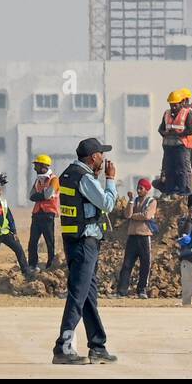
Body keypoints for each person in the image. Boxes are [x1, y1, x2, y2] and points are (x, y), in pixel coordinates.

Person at [53, 139, 118, 364]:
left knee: (88, 296)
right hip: (85, 243)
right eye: (101, 154)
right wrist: (110, 179)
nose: (104, 159)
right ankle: (63, 346)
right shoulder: (85, 177)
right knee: (78, 295)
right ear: (93, 157)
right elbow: (108, 204)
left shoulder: (68, 174)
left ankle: (98, 345)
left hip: (74, 240)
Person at [115, 179, 157, 298]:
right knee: (127, 264)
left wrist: (134, 216)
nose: (139, 190)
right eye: (138, 188)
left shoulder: (151, 201)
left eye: (141, 188)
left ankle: (142, 289)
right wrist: (131, 201)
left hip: (144, 236)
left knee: (145, 264)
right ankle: (121, 291)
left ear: (147, 190)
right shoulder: (135, 201)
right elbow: (127, 215)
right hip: (132, 236)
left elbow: (147, 216)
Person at [157, 89, 192, 196]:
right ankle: (170, 191)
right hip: (168, 146)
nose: (173, 107)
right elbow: (161, 129)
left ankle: (183, 191)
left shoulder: (187, 113)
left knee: (181, 169)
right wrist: (166, 133)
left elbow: (190, 130)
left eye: (175, 104)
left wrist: (177, 134)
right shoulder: (167, 113)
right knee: (169, 169)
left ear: (181, 103)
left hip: (181, 146)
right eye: (171, 104)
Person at [28, 154, 59, 272]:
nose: (34, 168)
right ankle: (32, 265)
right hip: (37, 213)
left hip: (48, 214)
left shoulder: (54, 179)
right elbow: (31, 196)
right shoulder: (38, 180)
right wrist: (41, 197)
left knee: (49, 241)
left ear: (43, 166)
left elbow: (48, 195)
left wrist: (39, 196)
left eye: (36, 165)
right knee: (33, 241)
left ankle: (50, 264)